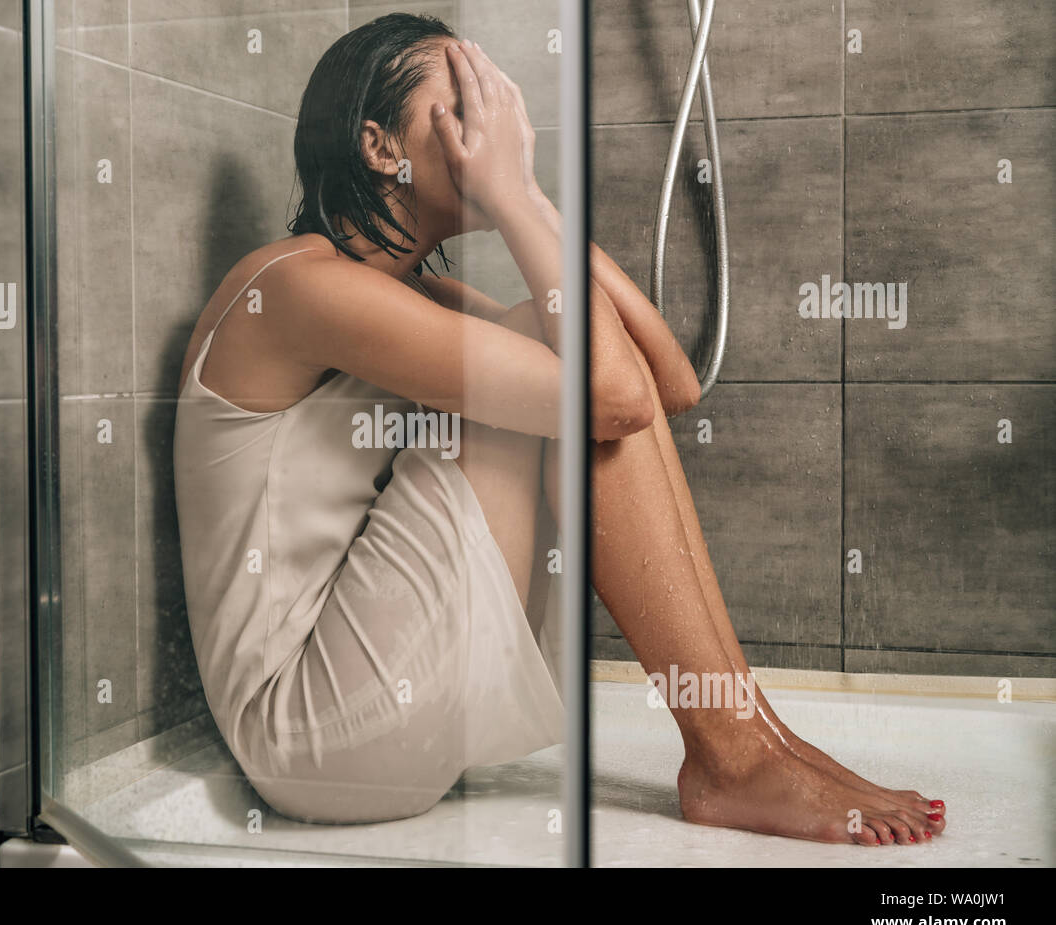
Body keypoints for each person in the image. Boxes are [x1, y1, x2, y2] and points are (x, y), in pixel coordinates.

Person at [173, 13, 946, 845]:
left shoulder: (412, 301)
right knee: (557, 354)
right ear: (378, 144)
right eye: (470, 98)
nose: (501, 122)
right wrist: (511, 198)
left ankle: (755, 736)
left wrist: (530, 198)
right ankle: (731, 755)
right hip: (312, 734)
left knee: (560, 348)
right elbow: (613, 401)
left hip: (377, 704)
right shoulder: (293, 285)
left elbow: (668, 384)